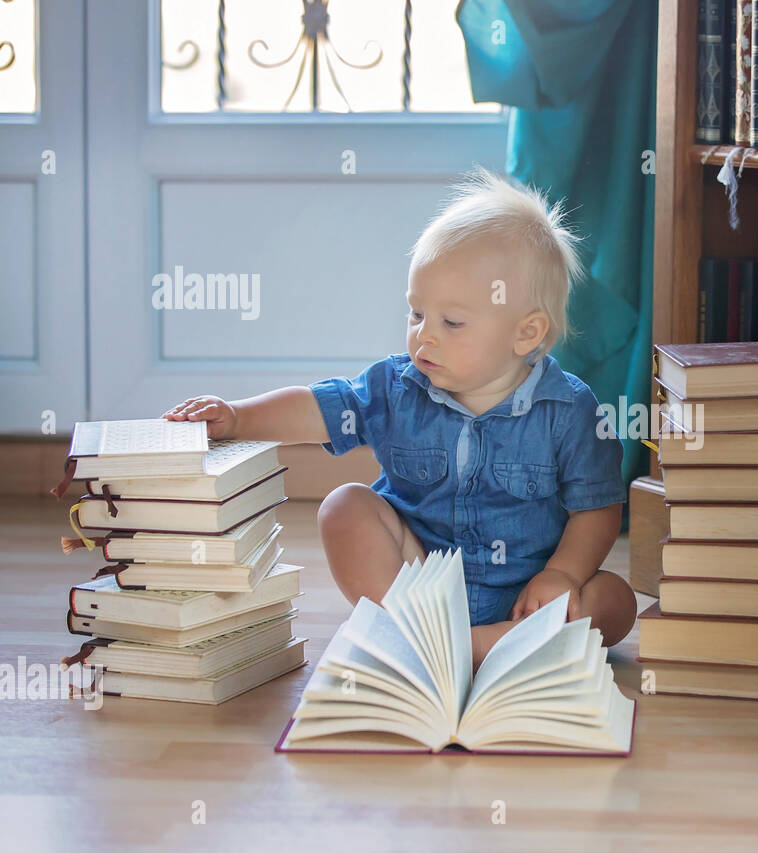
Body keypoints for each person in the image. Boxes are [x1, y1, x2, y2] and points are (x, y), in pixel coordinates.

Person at [163, 167, 636, 670]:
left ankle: (491, 642)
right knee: (344, 505)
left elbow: (597, 509)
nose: (424, 335)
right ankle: (416, 631)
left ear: (526, 334)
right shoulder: (396, 387)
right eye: (416, 313)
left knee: (615, 601)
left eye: (451, 322)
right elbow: (318, 408)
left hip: (527, 595)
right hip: (421, 585)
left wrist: (563, 574)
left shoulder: (569, 410)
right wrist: (238, 417)